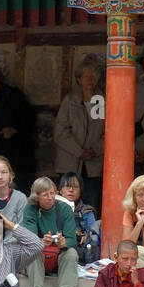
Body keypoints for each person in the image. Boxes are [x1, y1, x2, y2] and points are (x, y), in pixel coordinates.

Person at [21, 177, 80, 287]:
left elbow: (73, 240)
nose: (50, 198)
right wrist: (41, 242)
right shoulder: (30, 209)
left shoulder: (64, 209)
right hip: (37, 258)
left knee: (71, 253)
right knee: (33, 252)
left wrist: (63, 242)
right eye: (45, 195)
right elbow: (29, 239)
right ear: (37, 197)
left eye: (52, 193)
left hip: (56, 255)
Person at [53, 57, 106, 213]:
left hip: (94, 162)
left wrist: (94, 150)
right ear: (78, 80)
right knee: (66, 205)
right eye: (86, 77)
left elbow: (108, 132)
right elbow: (60, 132)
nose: (90, 80)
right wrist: (80, 152)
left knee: (92, 204)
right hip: (70, 160)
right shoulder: (70, 101)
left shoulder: (102, 101)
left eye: (93, 77)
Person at [57, 172, 100, 264]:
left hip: (79, 252)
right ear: (60, 190)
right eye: (67, 186)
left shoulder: (86, 211)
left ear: (81, 191)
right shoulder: (53, 209)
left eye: (75, 187)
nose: (71, 190)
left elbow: (92, 232)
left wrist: (86, 237)